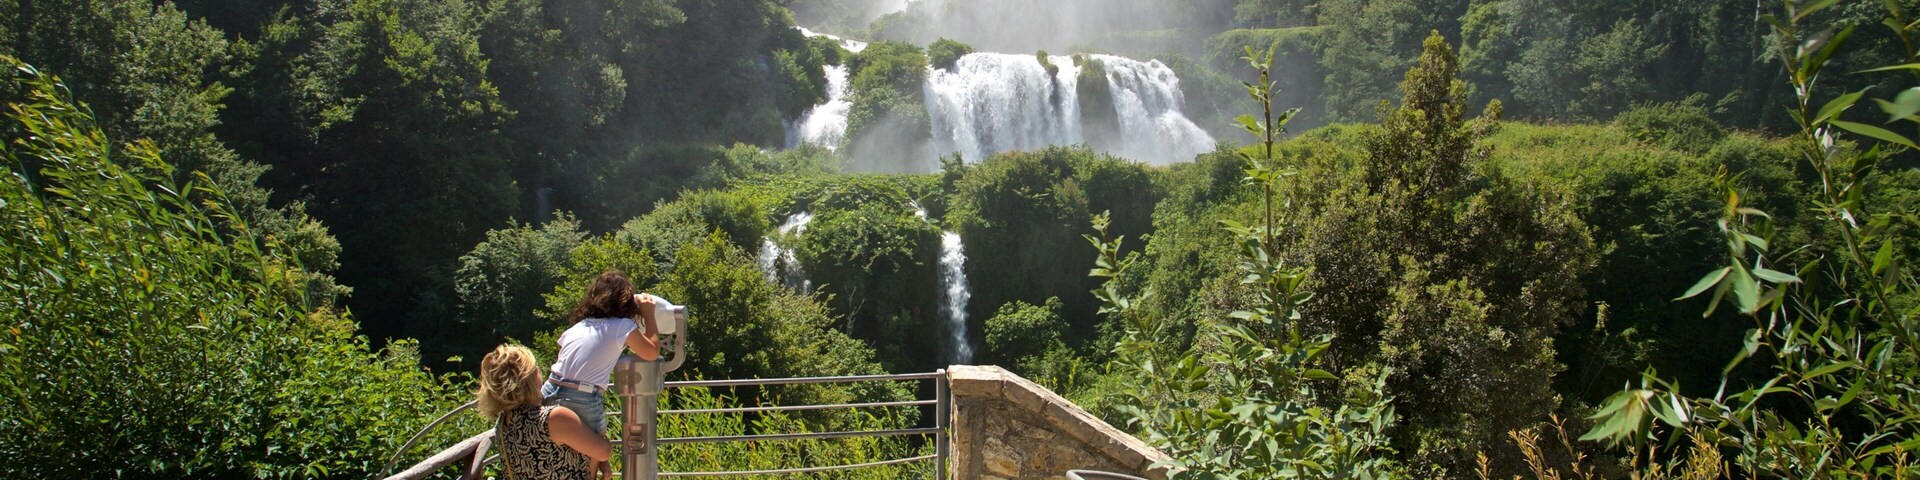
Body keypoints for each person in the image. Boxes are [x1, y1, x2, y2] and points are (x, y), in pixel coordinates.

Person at [545, 270, 663, 476]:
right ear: (625, 300)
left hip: (550, 389)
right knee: (588, 463)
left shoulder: (578, 327)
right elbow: (652, 352)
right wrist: (648, 314)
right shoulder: (622, 326)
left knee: (557, 457)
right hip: (582, 396)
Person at [478, 344, 609, 480]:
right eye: (535, 368)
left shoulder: (502, 423)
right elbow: (604, 451)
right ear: (530, 378)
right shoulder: (554, 418)